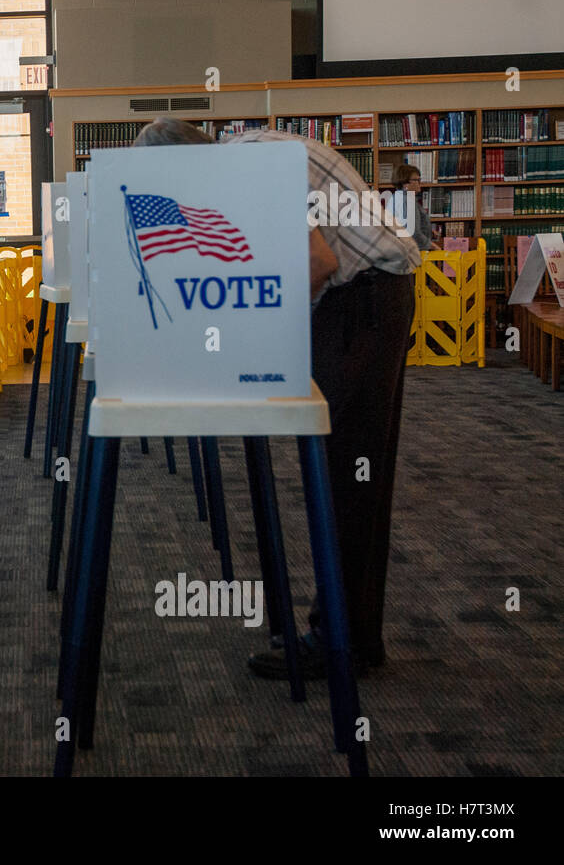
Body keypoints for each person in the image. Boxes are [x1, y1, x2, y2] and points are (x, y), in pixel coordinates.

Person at [132, 118, 421, 678]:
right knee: (355, 474)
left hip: (360, 305)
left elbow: (317, 264)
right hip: (368, 300)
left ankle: (341, 644)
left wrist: (252, 328)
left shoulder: (246, 169)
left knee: (349, 476)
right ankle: (350, 635)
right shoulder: (251, 148)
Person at [388, 163, 434, 250]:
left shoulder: (396, 197)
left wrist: (429, 232)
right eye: (416, 180)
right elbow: (413, 233)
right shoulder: (407, 201)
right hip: (411, 252)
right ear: (405, 184)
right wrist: (433, 247)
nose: (419, 183)